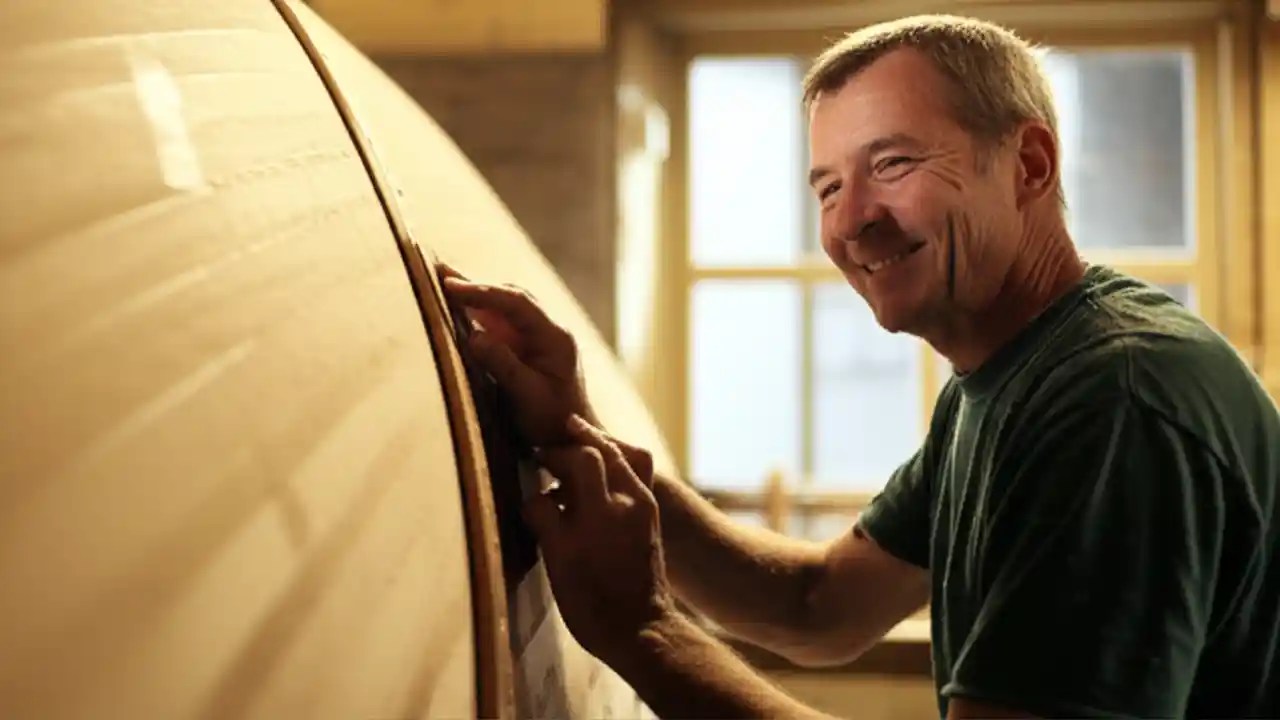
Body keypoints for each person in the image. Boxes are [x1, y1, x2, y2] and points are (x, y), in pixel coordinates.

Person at [443, 13, 1280, 719]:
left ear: (1029, 164)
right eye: (827, 188)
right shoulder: (1004, 378)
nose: (852, 225)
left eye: (893, 165)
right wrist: (573, 431)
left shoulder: (1113, 401)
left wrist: (646, 631)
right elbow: (817, 609)